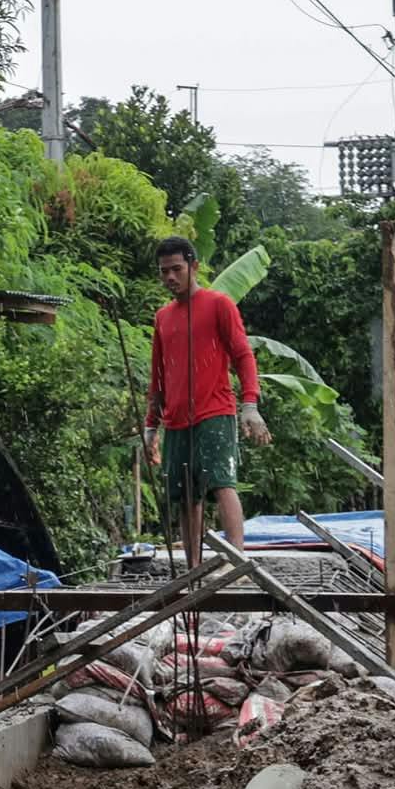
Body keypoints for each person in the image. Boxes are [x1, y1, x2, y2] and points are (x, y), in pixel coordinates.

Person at [144, 235, 268, 570]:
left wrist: (250, 405)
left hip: (215, 410)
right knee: (186, 496)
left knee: (222, 482)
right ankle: (194, 568)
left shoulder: (218, 304)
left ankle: (237, 562)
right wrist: (150, 426)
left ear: (194, 267)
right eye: (164, 271)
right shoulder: (163, 316)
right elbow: (157, 376)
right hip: (176, 419)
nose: (170, 277)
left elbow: (243, 355)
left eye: (177, 269)